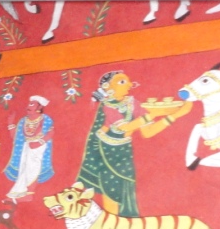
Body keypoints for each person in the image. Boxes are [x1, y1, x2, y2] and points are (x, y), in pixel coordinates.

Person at [76, 70, 191, 215]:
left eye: (128, 81)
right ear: (107, 87)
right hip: (105, 154)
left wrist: (176, 114)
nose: (129, 85)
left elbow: (148, 132)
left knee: (125, 193)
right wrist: (152, 114)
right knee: (111, 191)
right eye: (122, 81)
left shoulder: (132, 103)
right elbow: (123, 128)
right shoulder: (107, 106)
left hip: (124, 154)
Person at [4, 96, 54, 203]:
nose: (28, 106)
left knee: (34, 169)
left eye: (32, 104)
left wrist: (39, 143)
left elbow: (51, 133)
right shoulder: (23, 121)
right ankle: (19, 194)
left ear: (39, 107)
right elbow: (16, 138)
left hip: (39, 148)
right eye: (29, 104)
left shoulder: (45, 119)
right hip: (26, 147)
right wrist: (11, 124)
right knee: (24, 169)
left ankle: (29, 195)